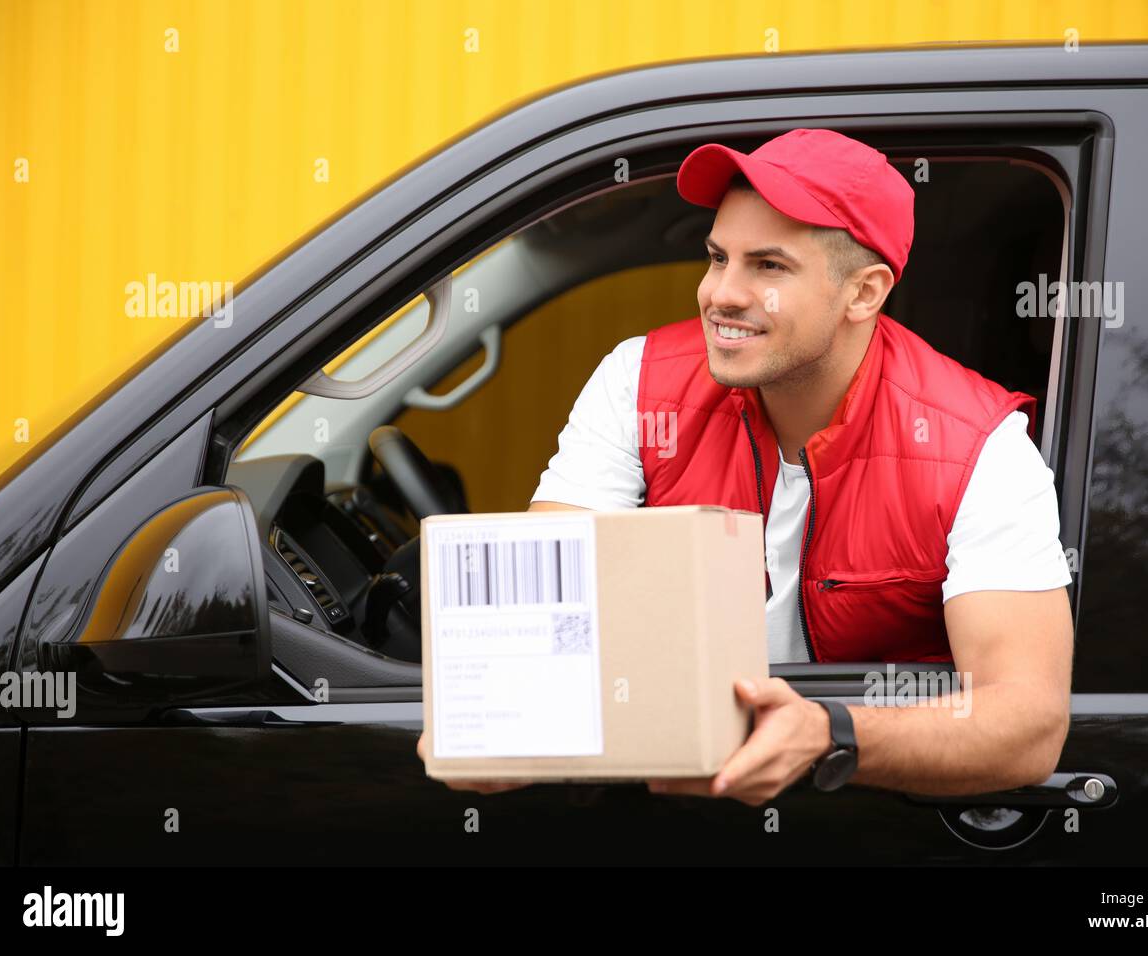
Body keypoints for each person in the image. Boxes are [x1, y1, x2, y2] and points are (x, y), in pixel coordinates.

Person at [428, 128, 1074, 806]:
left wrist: (832, 735)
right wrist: (497, 717)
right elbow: (543, 617)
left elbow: (1027, 724)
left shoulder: (980, 446)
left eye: (768, 266)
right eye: (716, 258)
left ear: (864, 293)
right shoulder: (638, 383)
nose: (720, 295)